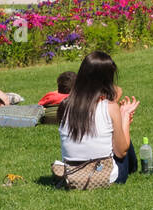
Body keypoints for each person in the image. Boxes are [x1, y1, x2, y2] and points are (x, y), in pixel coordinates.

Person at [56, 51, 139, 186]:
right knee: (122, 138)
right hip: (103, 175)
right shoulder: (110, 107)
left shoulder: (64, 105)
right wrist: (124, 117)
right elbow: (121, 152)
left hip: (72, 174)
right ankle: (133, 168)